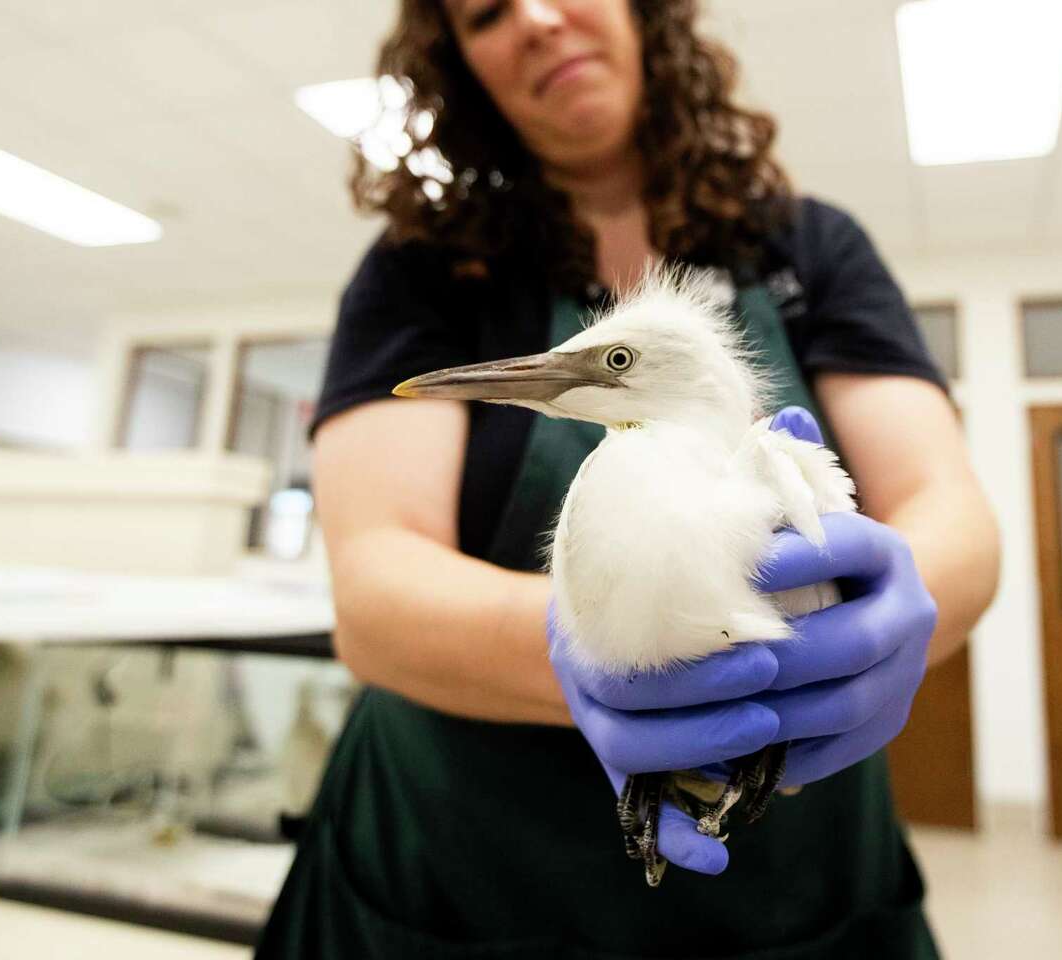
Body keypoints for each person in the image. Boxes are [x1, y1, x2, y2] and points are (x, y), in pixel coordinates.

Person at [257, 1, 999, 956]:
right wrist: (590, 644)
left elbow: (954, 517)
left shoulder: (807, 250)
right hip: (458, 867)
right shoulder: (425, 271)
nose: (532, 17)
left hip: (791, 884)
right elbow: (371, 591)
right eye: (484, 11)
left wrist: (879, 623)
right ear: (463, 63)